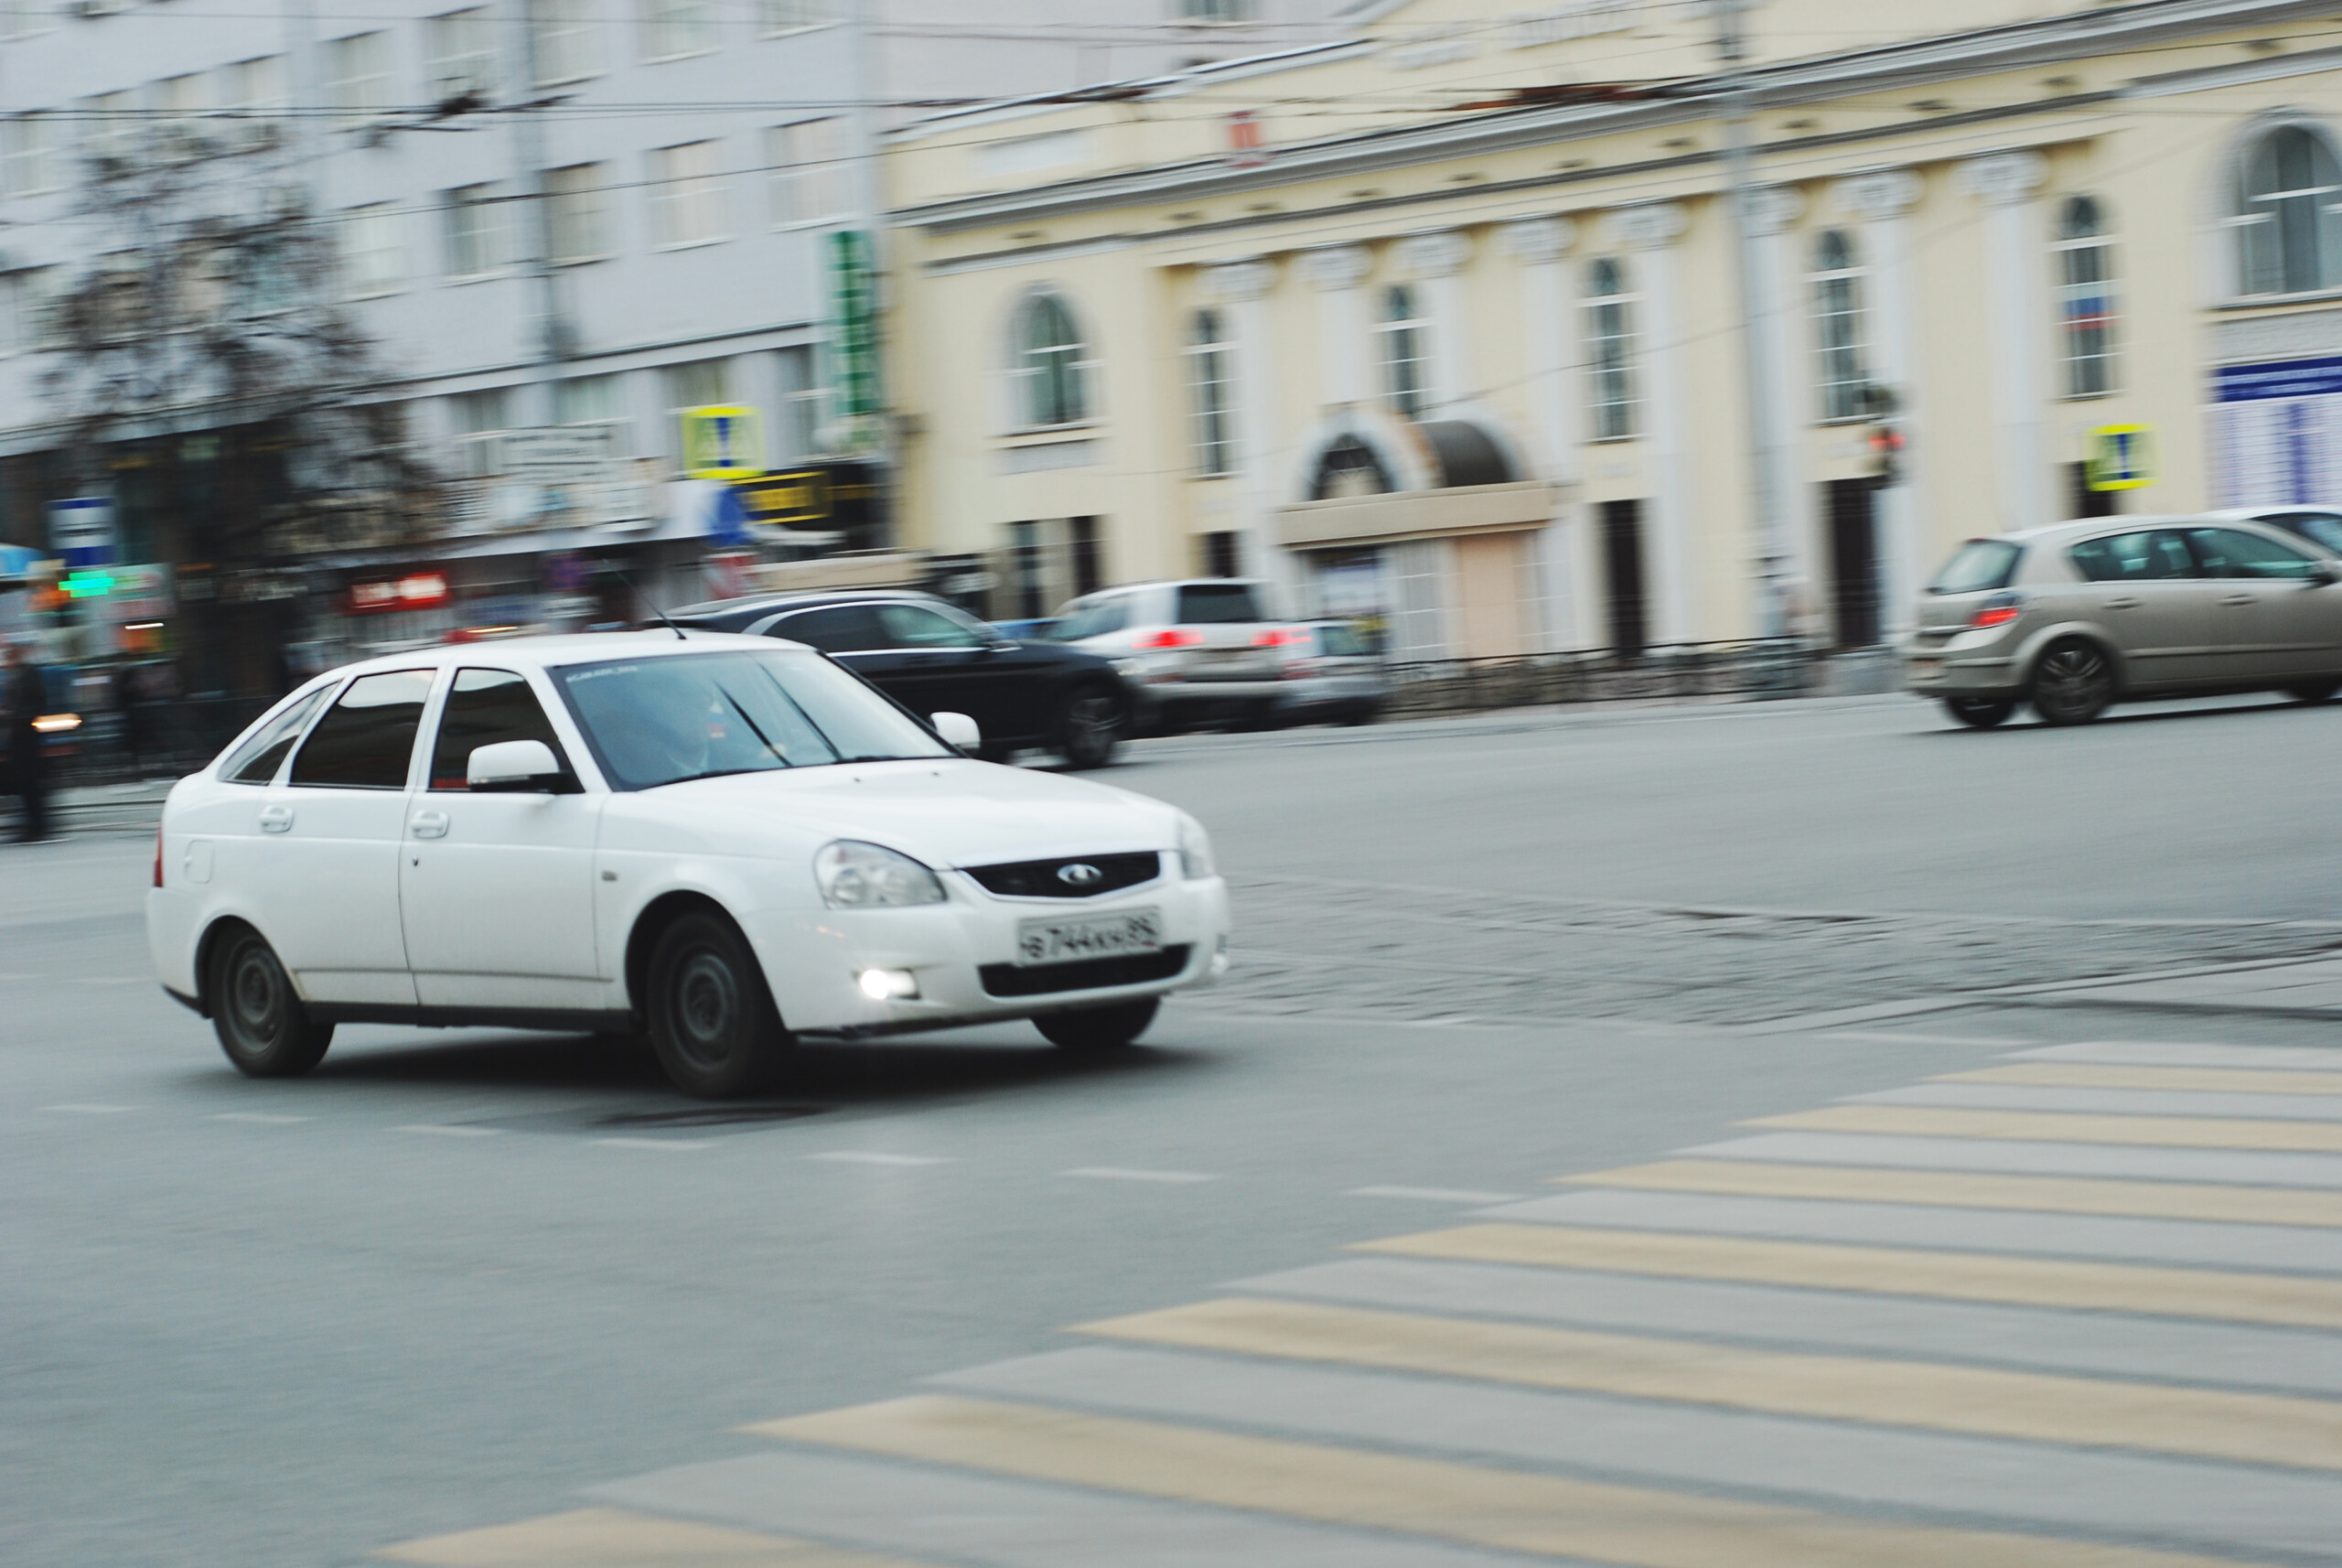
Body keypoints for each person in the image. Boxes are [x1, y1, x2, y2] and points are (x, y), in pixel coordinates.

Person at [5, 638, 50, 843]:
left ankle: (36, 827)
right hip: (17, 733)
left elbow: (37, 702)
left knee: (29, 782)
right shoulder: (15, 675)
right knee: (24, 782)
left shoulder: (28, 674)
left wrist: (12, 714)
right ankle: (33, 825)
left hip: (25, 733)